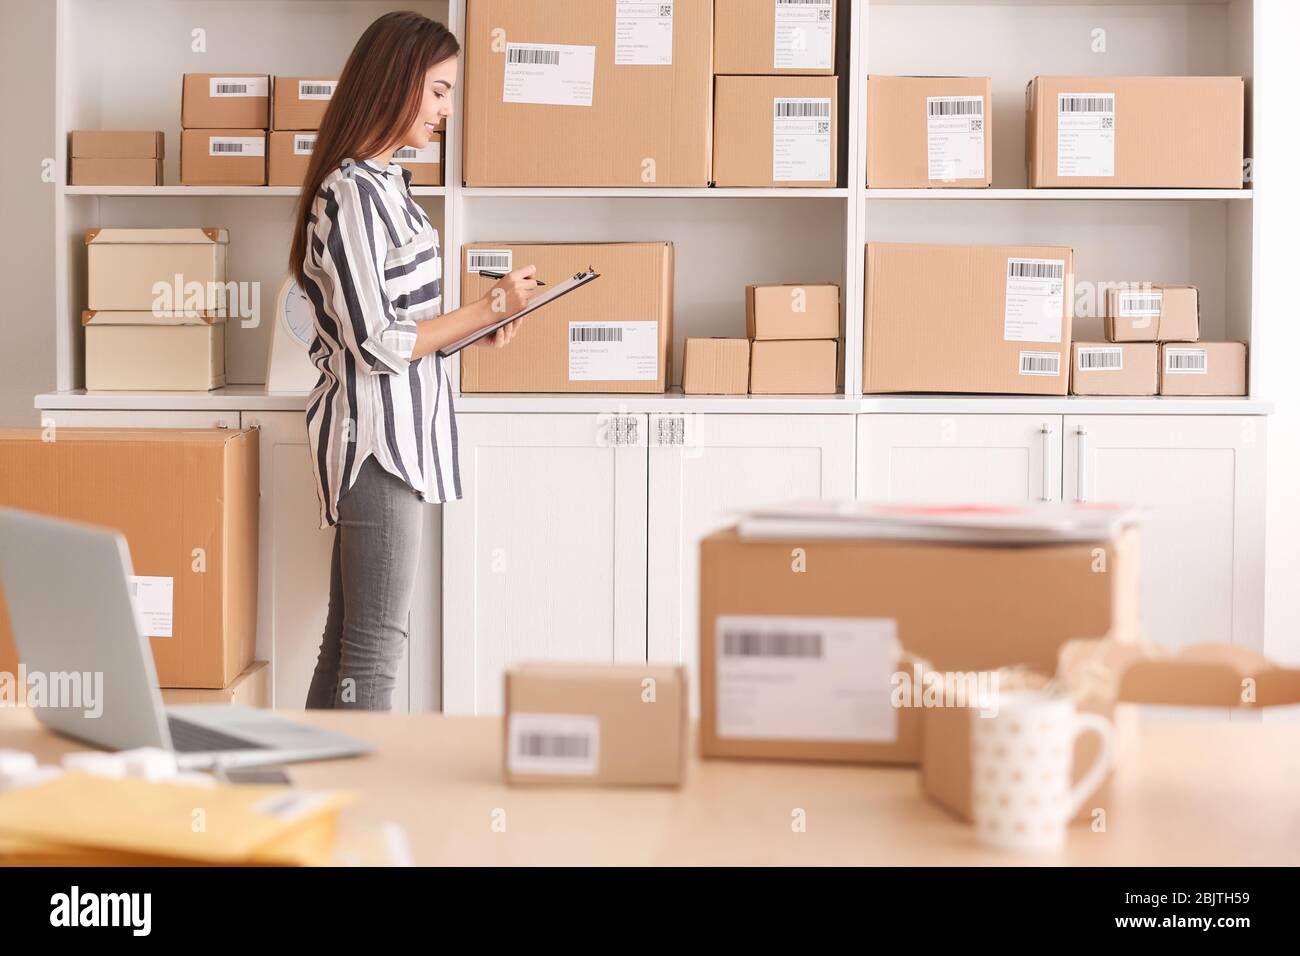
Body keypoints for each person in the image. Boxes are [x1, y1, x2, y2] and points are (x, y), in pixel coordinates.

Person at [287, 11, 536, 710]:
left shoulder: (388, 184)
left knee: (348, 643)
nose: (446, 111)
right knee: (371, 647)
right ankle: (361, 807)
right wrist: (485, 310)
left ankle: (317, 798)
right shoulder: (351, 193)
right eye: (438, 91)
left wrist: (473, 330)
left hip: (399, 438)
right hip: (379, 447)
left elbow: (406, 327)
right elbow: (377, 340)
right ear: (394, 83)